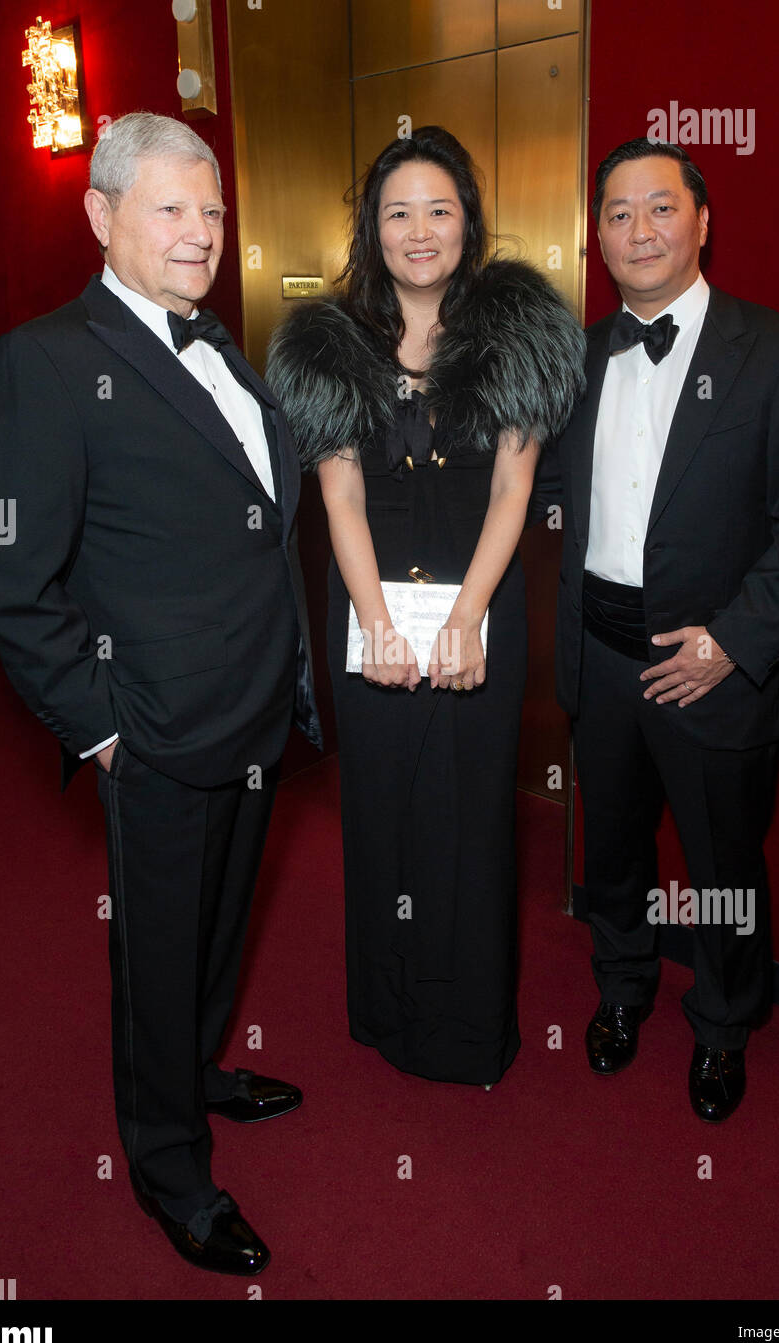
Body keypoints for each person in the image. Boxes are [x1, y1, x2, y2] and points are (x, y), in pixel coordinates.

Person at [0, 112, 321, 1273]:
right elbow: (13, 576)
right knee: (157, 953)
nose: (200, 232)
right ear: (101, 216)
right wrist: (105, 729)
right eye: (170, 208)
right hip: (156, 729)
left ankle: (199, 1067)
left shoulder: (218, 344)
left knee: (221, 924)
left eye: (212, 209)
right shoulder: (46, 362)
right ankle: (169, 1167)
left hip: (256, 709)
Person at [531, 137, 779, 1120]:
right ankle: (621, 991)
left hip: (712, 664)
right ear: (597, 238)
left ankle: (720, 1025)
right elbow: (536, 493)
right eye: (616, 213)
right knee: (611, 853)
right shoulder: (576, 357)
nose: (637, 230)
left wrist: (728, 643)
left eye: (658, 208)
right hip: (599, 654)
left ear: (701, 222)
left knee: (720, 869)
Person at [266, 126, 584, 1086]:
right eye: (397, 211)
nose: (418, 230)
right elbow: (341, 496)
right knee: (382, 808)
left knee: (472, 816)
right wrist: (373, 621)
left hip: (477, 601)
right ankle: (390, 1010)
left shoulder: (517, 329)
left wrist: (464, 618)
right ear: (372, 227)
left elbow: (513, 492)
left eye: (438, 210)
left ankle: (466, 1028)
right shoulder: (332, 340)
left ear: (467, 223)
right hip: (367, 605)